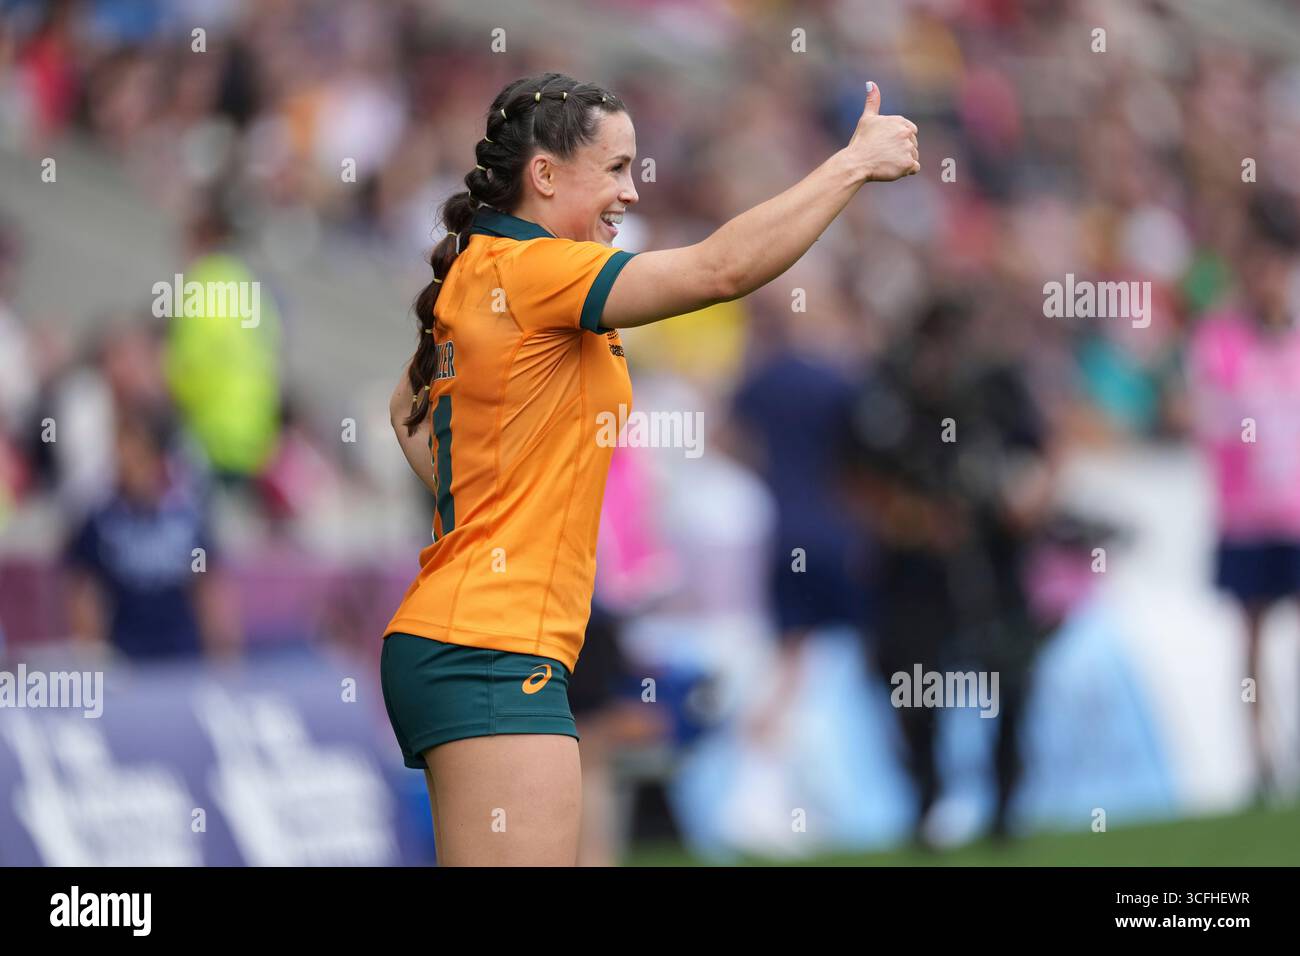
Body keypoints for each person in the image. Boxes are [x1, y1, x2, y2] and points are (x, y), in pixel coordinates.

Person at [380, 71, 919, 866]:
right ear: (545, 175)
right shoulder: (539, 272)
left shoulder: (484, 269)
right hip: (493, 645)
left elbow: (407, 412)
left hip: (470, 636)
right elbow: (719, 273)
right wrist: (851, 165)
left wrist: (497, 507)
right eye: (617, 168)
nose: (631, 192)